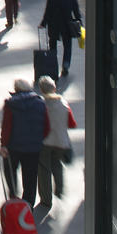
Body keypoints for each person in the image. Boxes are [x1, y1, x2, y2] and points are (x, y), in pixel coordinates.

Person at [0, 78, 47, 209]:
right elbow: (46, 126)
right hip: (33, 148)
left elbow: (6, 126)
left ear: (16, 90)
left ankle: (14, 198)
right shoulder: (41, 103)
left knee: (10, 170)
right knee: (30, 177)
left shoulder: (10, 104)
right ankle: (28, 205)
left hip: (13, 147)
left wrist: (3, 145)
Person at [37, 76, 77, 208]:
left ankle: (46, 199)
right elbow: (71, 124)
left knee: (44, 169)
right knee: (57, 165)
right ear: (54, 88)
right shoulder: (64, 104)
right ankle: (59, 190)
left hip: (45, 142)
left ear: (41, 90)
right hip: (61, 141)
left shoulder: (41, 105)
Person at [40, 0, 82, 77]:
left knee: (52, 45)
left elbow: (48, 12)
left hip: (54, 25)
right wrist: (80, 25)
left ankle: (53, 65)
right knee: (67, 45)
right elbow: (77, 14)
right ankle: (66, 65)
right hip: (67, 25)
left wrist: (43, 23)